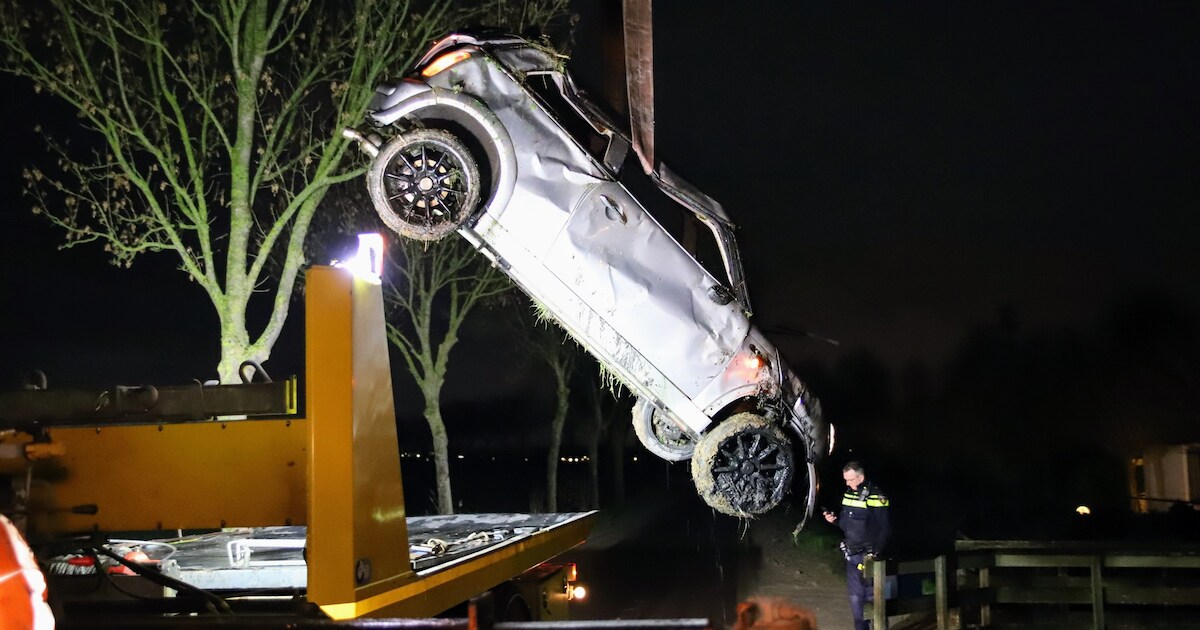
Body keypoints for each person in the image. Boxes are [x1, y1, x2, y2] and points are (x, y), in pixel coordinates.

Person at [823, 461, 891, 630]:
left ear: (861, 477)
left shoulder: (876, 496)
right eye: (845, 480)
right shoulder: (849, 493)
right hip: (851, 556)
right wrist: (835, 520)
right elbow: (847, 523)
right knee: (855, 602)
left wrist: (876, 553)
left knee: (873, 602)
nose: (847, 483)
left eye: (851, 479)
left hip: (868, 557)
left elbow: (885, 527)